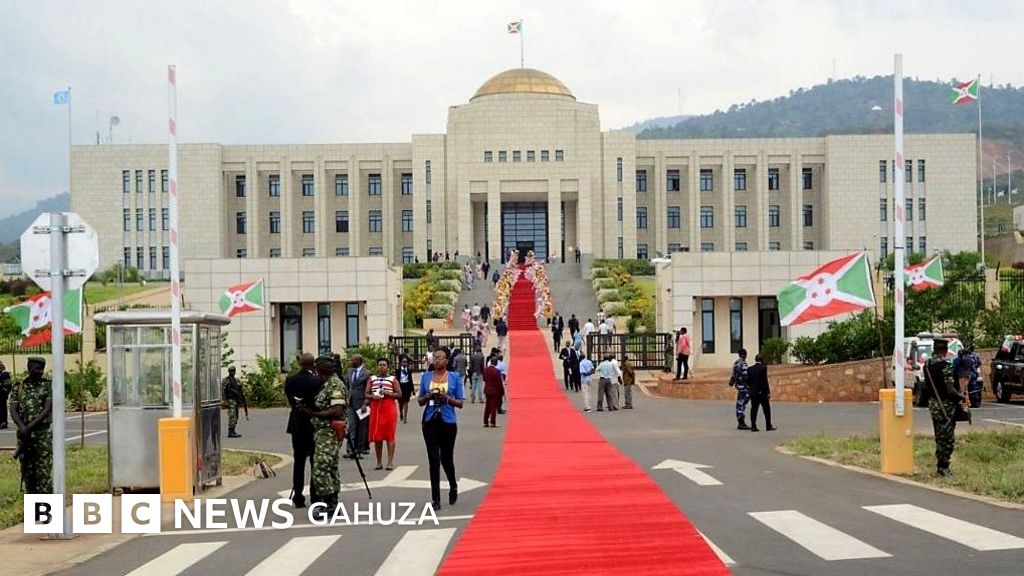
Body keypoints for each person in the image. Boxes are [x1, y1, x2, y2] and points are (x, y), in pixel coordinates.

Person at [301, 354, 348, 517]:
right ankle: (332, 504)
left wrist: (313, 412)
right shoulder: (325, 385)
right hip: (321, 432)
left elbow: (337, 410)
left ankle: (329, 503)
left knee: (321, 467)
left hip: (329, 432)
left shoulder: (335, 385)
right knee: (329, 467)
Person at [418, 347, 465, 510]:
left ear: (446, 361)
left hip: (448, 421)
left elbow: (460, 403)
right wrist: (428, 396)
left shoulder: (454, 378)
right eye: (434, 357)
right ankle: (435, 498)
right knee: (433, 459)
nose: (436, 360)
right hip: (430, 421)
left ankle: (453, 485)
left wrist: (446, 398)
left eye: (440, 357)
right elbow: (420, 401)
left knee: (446, 458)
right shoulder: (426, 377)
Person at [921, 339, 964, 476]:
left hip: (934, 404)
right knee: (947, 438)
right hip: (945, 406)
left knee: (939, 436)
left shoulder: (927, 365)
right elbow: (950, 390)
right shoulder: (946, 366)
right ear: (945, 350)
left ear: (934, 349)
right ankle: (944, 467)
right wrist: (961, 397)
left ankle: (941, 466)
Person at [10, 357, 52, 493]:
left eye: (42, 369)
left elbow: (47, 409)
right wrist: (22, 427)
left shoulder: (48, 386)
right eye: (37, 368)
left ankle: (48, 509)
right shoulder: (19, 387)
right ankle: (33, 509)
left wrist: (28, 427)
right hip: (24, 437)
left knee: (43, 474)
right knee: (28, 474)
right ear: (29, 368)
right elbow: (13, 409)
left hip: (42, 435)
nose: (40, 371)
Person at [285, 353, 321, 507]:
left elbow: (290, 399)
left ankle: (298, 495)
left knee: (298, 461)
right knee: (315, 460)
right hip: (312, 423)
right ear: (313, 364)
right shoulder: (316, 381)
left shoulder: (290, 380)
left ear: (300, 364)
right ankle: (315, 495)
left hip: (296, 423)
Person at [368, 358, 400, 470]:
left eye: (384, 365)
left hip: (388, 407)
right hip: (376, 408)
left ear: (388, 367)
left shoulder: (392, 379)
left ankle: (390, 462)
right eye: (380, 365)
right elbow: (366, 394)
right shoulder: (372, 379)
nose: (381, 367)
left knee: (389, 435)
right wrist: (373, 397)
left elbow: (399, 394)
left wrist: (388, 393)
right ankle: (379, 462)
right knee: (377, 436)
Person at [345, 354, 370, 458]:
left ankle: (360, 449)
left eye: (353, 360)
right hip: (351, 403)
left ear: (359, 361)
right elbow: (348, 386)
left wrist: (366, 403)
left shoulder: (367, 373)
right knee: (352, 426)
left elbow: (369, 389)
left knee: (361, 428)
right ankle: (350, 450)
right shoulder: (349, 372)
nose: (351, 361)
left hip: (362, 404)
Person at [747, 355, 776, 432]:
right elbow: (764, 381)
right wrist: (768, 392)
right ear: (762, 360)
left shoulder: (750, 369)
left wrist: (751, 388)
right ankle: (768, 425)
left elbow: (748, 381)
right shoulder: (763, 368)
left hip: (753, 392)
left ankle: (753, 426)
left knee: (754, 409)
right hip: (762, 392)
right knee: (766, 409)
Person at [222, 366, 248, 438]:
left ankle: (233, 430)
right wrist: (224, 401)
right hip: (230, 400)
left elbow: (240, 391)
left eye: (233, 371)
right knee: (232, 415)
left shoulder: (237, 380)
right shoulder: (226, 380)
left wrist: (242, 399)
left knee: (236, 416)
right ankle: (230, 431)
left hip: (236, 400)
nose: (232, 372)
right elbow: (223, 391)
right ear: (229, 371)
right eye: (231, 371)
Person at [730, 349, 751, 430]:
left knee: (740, 403)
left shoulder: (736, 363)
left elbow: (733, 374)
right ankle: (741, 423)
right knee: (742, 403)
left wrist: (732, 381)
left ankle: (741, 421)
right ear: (745, 355)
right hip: (744, 386)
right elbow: (746, 376)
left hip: (739, 385)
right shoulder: (744, 364)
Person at [483, 357, 504, 427]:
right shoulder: (496, 371)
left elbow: (484, 379)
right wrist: (502, 391)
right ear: (496, 363)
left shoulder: (485, 370)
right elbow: (499, 383)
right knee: (493, 407)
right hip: (495, 391)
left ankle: (485, 421)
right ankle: (492, 422)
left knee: (487, 406)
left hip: (487, 389)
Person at [397, 358, 415, 423]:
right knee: (400, 402)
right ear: (401, 363)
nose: (405, 363)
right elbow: (396, 380)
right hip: (400, 386)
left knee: (406, 401)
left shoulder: (409, 370)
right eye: (403, 362)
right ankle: (401, 412)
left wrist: (413, 390)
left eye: (406, 362)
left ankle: (405, 417)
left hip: (407, 386)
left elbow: (411, 380)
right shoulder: (398, 370)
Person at [0, 362, 11, 429]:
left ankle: (3, 422)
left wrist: (5, 391)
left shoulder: (5, 374)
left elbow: (9, 385)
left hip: (2, 395)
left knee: (3, 408)